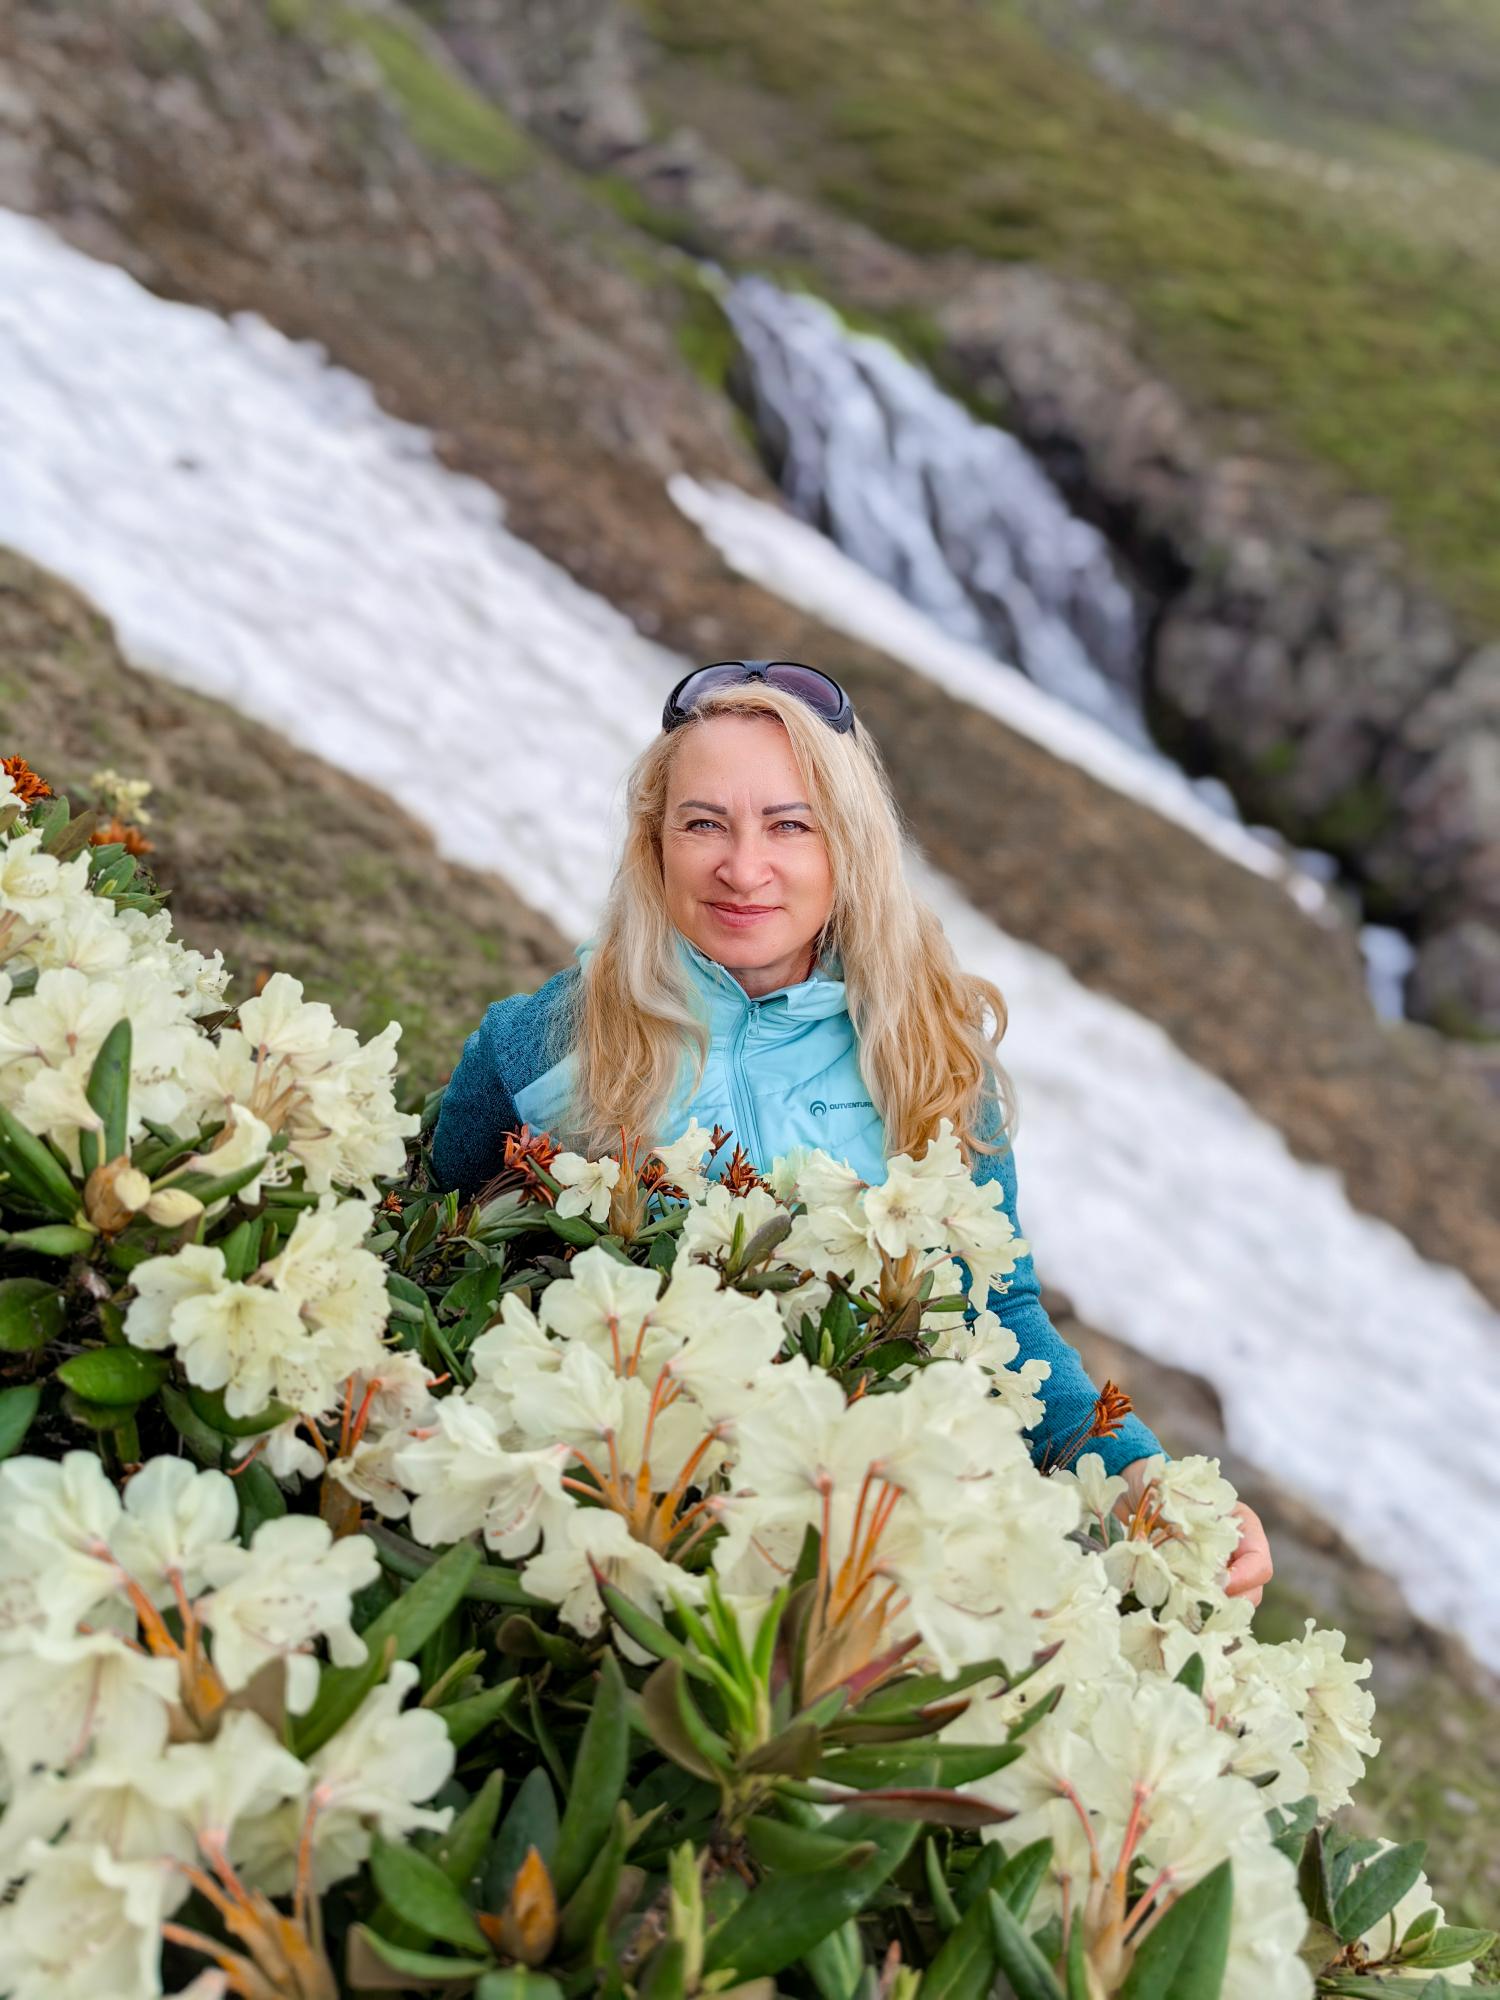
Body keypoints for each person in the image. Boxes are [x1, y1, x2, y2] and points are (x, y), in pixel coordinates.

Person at [431, 659, 1274, 1603]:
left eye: (791, 826)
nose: (743, 868)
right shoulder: (541, 1043)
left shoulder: (928, 1061)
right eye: (704, 822)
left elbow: (999, 1314)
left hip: (856, 1563)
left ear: (851, 846)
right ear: (654, 844)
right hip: (596, 1545)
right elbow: (435, 1246)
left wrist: (1143, 1479)